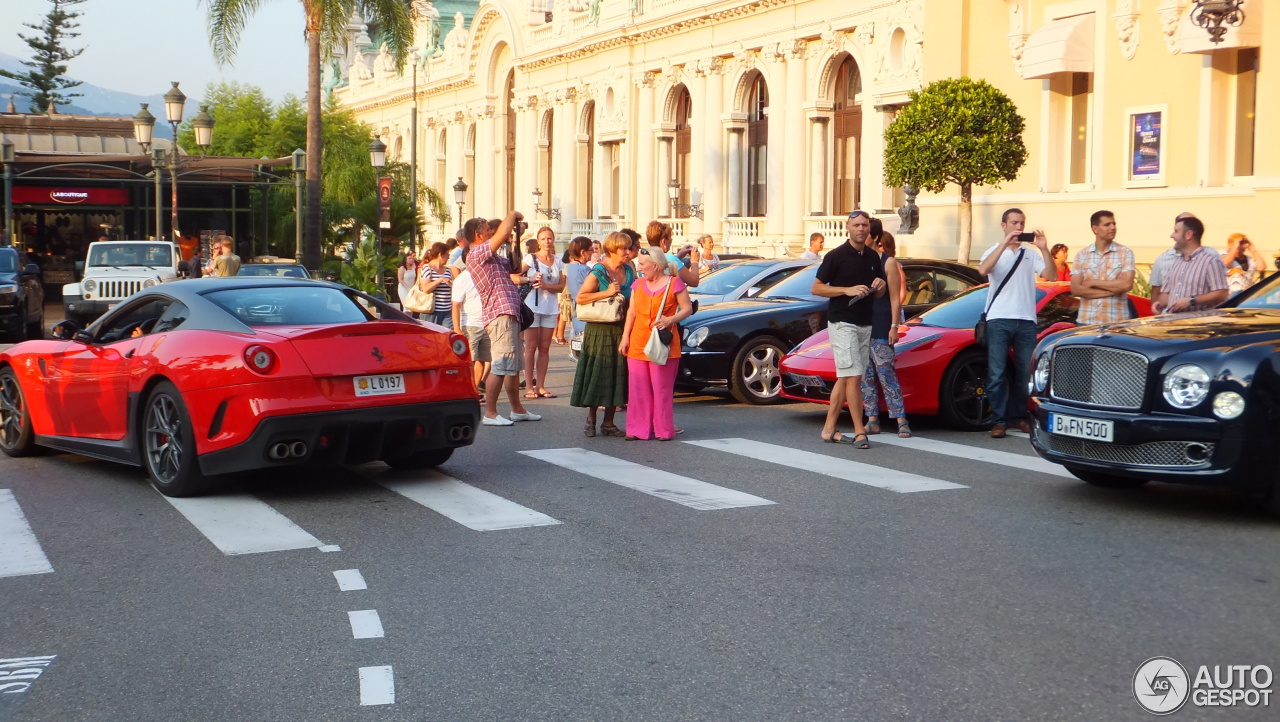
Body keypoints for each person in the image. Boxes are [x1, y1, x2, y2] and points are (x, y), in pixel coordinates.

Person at [978, 208, 1057, 438]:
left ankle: (1018, 416)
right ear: (1004, 225)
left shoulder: (1030, 253)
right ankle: (998, 420)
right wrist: (1004, 244)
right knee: (997, 373)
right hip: (999, 319)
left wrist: (1043, 248)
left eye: (1022, 223)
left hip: (1026, 320)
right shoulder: (994, 251)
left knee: (1025, 373)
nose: (1019, 227)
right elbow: (983, 270)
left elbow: (1051, 276)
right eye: (1014, 223)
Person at [811, 210, 887, 448]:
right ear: (847, 227)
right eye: (856, 225)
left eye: (864, 225)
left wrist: (881, 285)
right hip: (842, 322)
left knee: (846, 378)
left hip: (865, 322)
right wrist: (846, 290)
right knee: (854, 376)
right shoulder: (836, 256)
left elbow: (881, 293)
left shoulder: (873, 258)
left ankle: (828, 429)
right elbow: (817, 288)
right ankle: (858, 431)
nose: (861, 229)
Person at [467, 212, 540, 426]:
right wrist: (512, 216)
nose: (491, 231)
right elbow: (503, 231)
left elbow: (515, 267)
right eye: (488, 228)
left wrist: (516, 238)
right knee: (500, 365)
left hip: (509, 311)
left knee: (512, 365)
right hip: (499, 314)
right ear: (478, 234)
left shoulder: (492, 256)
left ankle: (517, 409)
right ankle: (490, 413)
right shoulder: (476, 253)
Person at [619, 247, 693, 441]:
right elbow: (632, 313)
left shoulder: (675, 283)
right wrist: (625, 337)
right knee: (637, 388)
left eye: (643, 264)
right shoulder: (637, 284)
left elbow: (687, 309)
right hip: (638, 341)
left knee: (661, 388)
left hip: (663, 343)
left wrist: (671, 319)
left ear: (656, 265)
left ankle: (663, 430)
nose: (640, 268)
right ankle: (637, 429)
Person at [571, 232, 635, 437]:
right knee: (598, 374)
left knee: (617, 374)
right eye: (623, 248)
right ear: (612, 250)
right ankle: (591, 419)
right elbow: (580, 297)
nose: (628, 252)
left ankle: (609, 422)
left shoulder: (629, 269)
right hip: (600, 328)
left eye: (628, 248)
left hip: (621, 327)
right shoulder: (598, 271)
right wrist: (606, 293)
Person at [862, 222, 910, 438]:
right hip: (861, 326)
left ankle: (900, 419)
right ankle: (872, 418)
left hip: (882, 325)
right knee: (866, 376)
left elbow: (894, 298)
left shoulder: (887, 262)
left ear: (875, 237)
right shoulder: (858, 259)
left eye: (865, 233)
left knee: (886, 373)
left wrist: (894, 326)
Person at [520, 227, 566, 398]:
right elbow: (514, 276)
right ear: (538, 241)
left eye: (549, 238)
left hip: (550, 307)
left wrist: (545, 286)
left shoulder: (558, 261)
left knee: (545, 348)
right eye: (543, 238)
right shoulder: (530, 259)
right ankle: (528, 386)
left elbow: (561, 286)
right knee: (530, 347)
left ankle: (541, 386)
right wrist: (530, 279)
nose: (547, 241)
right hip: (533, 307)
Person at [1070, 211, 1135, 326]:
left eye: (1114, 224)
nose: (1113, 227)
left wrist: (1093, 282)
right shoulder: (1082, 255)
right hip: (1087, 322)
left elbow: (1126, 285)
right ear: (1095, 229)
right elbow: (1076, 289)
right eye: (1107, 224)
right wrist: (1114, 289)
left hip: (1116, 322)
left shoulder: (1125, 253)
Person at [1153, 216, 1229, 314]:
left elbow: (1222, 294)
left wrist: (1191, 301)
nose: (1172, 236)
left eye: (1176, 231)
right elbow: (1166, 294)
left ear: (1188, 235)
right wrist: (1159, 303)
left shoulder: (1210, 262)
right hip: (1173, 323)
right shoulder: (1176, 262)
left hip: (1196, 325)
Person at [451, 249, 490, 394]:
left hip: (486, 323)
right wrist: (457, 328)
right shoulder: (462, 279)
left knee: (483, 359)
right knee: (470, 360)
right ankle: (465, 390)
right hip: (470, 325)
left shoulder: (485, 274)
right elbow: (455, 305)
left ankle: (474, 389)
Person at [1149, 212, 1197, 300]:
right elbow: (1156, 294)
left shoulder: (1210, 258)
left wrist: (1191, 301)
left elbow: (1220, 293)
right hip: (1168, 313)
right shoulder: (1163, 260)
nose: (1172, 235)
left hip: (1200, 313)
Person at [418, 242, 453, 328]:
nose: (449, 257)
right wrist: (440, 280)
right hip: (431, 310)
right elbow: (426, 289)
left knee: (447, 336)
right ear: (440, 255)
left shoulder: (447, 270)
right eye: (447, 254)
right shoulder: (427, 268)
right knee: (430, 336)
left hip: (447, 310)